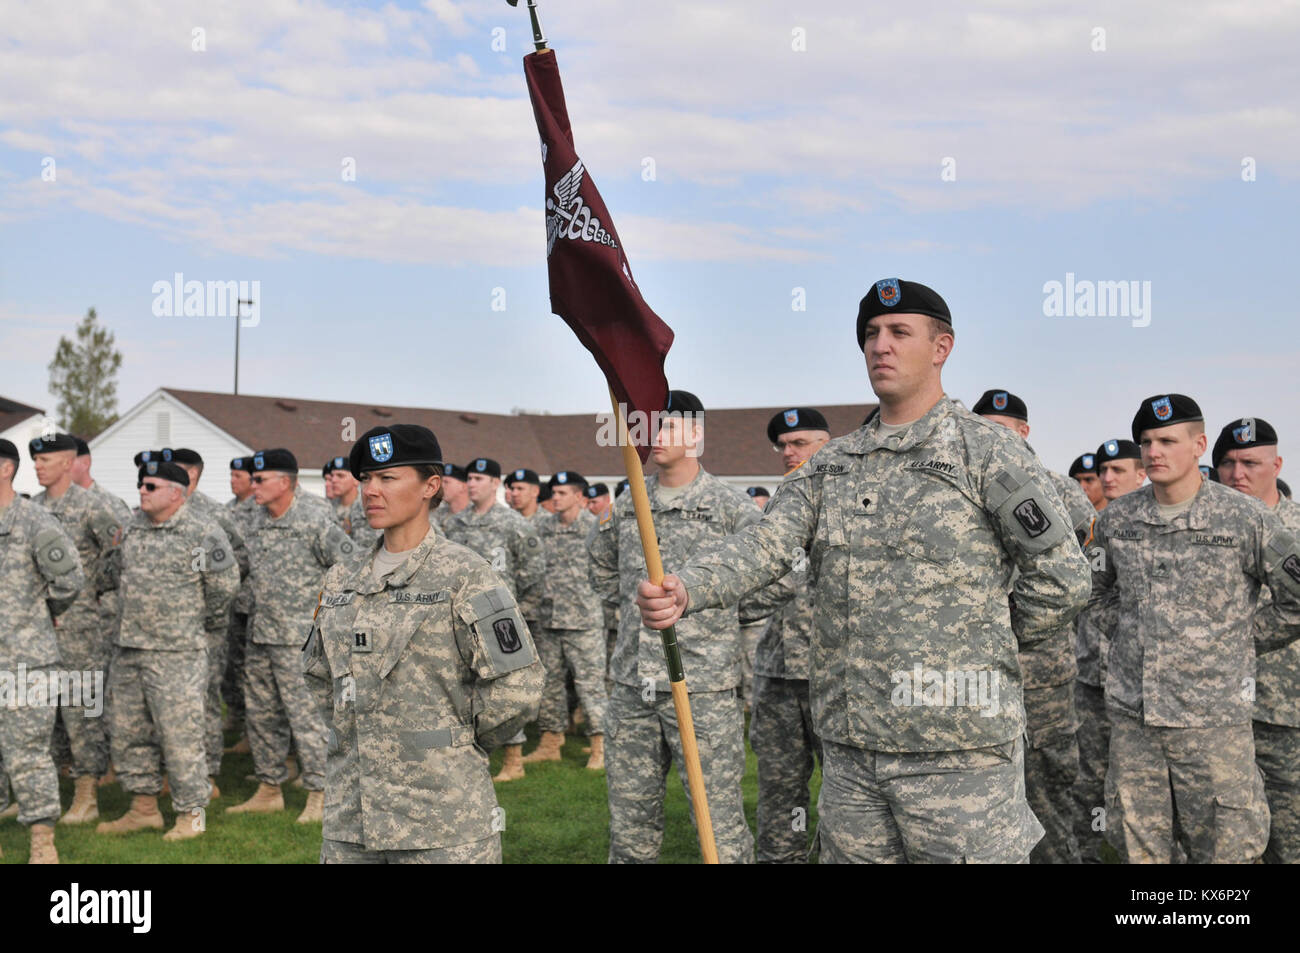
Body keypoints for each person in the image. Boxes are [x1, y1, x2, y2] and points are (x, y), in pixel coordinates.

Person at [635, 280, 1091, 863]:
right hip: (853, 753)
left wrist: (979, 645)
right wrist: (688, 587)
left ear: (941, 347)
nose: (882, 345)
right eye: (871, 334)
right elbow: (768, 543)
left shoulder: (986, 452)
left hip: (957, 751)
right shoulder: (835, 464)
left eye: (900, 332)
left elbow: (1062, 576)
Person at [302, 425, 542, 863]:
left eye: (388, 478)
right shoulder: (341, 577)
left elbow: (517, 688)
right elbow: (319, 674)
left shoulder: (464, 574)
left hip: (443, 817)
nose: (371, 491)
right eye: (366, 479)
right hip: (351, 819)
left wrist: (451, 741)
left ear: (431, 485)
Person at [1090, 396, 1300, 863]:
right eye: (1146, 442)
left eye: (1168, 440)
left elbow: (1296, 596)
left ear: (1199, 445)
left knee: (1225, 847)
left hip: (1213, 723)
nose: (1154, 451)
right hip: (1134, 721)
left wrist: (1238, 640)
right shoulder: (1118, 519)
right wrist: (1128, 633)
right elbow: (1094, 590)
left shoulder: (1245, 519)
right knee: (1136, 844)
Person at [590, 389, 761, 864]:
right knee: (630, 826)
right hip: (632, 687)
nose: (653, 437)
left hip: (702, 689)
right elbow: (601, 568)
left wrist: (714, 624)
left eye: (666, 425)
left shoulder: (731, 508)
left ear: (697, 434)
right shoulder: (629, 503)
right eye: (644, 427)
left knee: (718, 825)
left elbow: (772, 581)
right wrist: (633, 613)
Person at [972, 388, 1094, 864]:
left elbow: (1079, 569)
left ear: (1024, 432)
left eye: (1005, 430)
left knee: (1048, 801)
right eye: (987, 429)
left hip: (1043, 673)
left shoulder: (1060, 490)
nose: (996, 440)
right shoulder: (967, 481)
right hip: (980, 674)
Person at [96, 460, 237, 841]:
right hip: (129, 649)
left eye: (151, 486)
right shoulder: (132, 528)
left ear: (177, 493)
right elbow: (112, 573)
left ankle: (192, 814)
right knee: (128, 732)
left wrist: (196, 625)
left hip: (177, 652)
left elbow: (224, 589)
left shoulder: (203, 532)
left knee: (180, 737)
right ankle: (143, 809)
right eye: (141, 485)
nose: (142, 491)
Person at [229, 449, 354, 822]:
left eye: (260, 480)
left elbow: (350, 567)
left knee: (308, 718)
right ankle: (270, 787)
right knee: (262, 715)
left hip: (299, 639)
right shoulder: (253, 519)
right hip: (260, 634)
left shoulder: (314, 519)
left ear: (284, 482)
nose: (254, 486)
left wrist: (329, 621)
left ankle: (320, 792)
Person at [741, 407, 830, 863]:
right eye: (783, 445)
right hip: (776, 674)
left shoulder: (849, 499)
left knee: (844, 793)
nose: (788, 452)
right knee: (779, 786)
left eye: (801, 443)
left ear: (827, 444)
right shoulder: (777, 506)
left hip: (832, 673)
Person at [1214, 417, 1300, 863]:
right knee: (1220, 842)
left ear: (1277, 464)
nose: (1237, 474)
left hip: (1287, 714)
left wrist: (1238, 640)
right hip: (1219, 710)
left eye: (1250, 462)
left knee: (1289, 840)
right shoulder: (1207, 532)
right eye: (1227, 463)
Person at [29, 432, 125, 825]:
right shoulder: (30, 509)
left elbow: (118, 556)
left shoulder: (93, 508)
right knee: (41, 713)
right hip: (39, 628)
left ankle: (87, 796)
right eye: (35, 460)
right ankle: (43, 794)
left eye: (45, 460)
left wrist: (96, 594)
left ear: (68, 463)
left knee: (83, 713)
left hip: (82, 628)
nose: (37, 466)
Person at [0, 439, 86, 864]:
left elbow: (69, 581)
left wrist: (38, 614)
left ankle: (41, 843)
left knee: (29, 753)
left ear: (4, 469)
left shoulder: (35, 522)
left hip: (26, 662)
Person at [442, 458, 545, 781]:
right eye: (469, 478)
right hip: (461, 618)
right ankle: (472, 755)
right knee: (464, 686)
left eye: (478, 478)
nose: (471, 483)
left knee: (506, 686)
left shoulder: (513, 523)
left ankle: (514, 761)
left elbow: (533, 573)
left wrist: (520, 611)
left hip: (500, 621)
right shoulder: (455, 525)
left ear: (494, 483)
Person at [1072, 437, 1147, 861]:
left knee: (1142, 785)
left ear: (1141, 474)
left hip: (1140, 683)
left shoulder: (1155, 530)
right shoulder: (1092, 529)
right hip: (1091, 680)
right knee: (1089, 780)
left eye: (1118, 470)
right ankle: (1090, 854)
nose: (1107, 478)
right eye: (1104, 471)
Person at [165, 448, 250, 788]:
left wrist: (210, 608)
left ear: (193, 475)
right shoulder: (156, 513)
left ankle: (209, 773)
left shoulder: (212, 513)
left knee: (204, 698)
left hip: (207, 627)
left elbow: (239, 557)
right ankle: (173, 771)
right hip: (168, 630)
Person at [524, 471, 608, 770]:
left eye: (561, 493)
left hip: (583, 619)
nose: (555, 498)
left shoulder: (597, 526)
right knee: (550, 684)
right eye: (554, 493)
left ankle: (600, 744)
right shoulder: (542, 526)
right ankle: (550, 741)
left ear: (578, 497)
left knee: (590, 685)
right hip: (549, 617)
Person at [222, 456, 260, 753]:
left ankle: (252, 728)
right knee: (234, 666)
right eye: (231, 475)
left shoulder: (259, 509)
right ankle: (237, 717)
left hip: (254, 603)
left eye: (239, 476)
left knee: (253, 671)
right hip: (231, 600)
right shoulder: (227, 510)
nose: (233, 480)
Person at [432, 463, 470, 533]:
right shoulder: (437, 512)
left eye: (446, 482)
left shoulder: (473, 517)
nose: (441, 486)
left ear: (463, 487)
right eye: (441, 482)